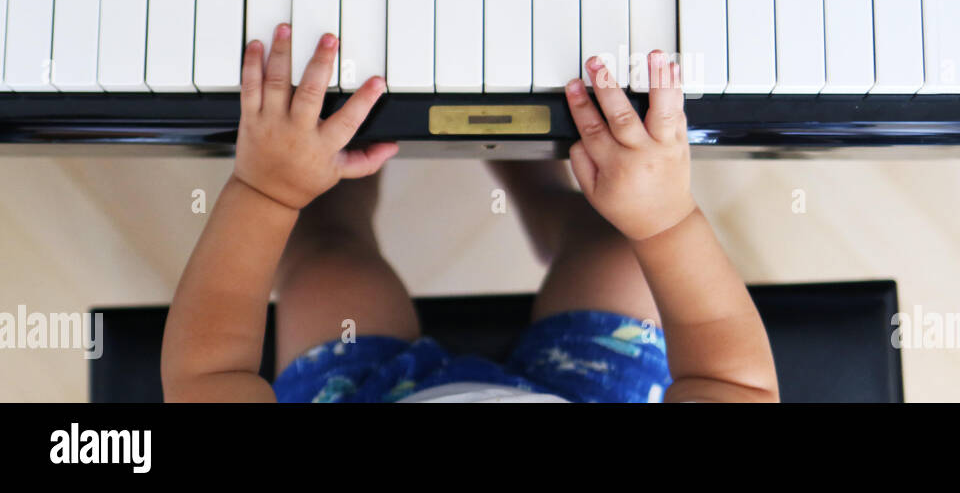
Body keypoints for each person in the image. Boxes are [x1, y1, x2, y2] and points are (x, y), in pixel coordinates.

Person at [161, 25, 778, 402]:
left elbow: (207, 374)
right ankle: (525, 166)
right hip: (593, 391)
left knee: (327, 261)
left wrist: (267, 192)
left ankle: (335, 172)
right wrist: (664, 220)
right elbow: (736, 385)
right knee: (613, 249)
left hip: (363, 394)